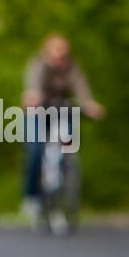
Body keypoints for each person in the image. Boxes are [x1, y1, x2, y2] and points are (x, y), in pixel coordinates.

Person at [19, 34, 104, 228]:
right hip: (38, 111)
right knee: (35, 150)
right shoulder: (38, 65)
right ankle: (31, 197)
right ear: (46, 52)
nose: (59, 57)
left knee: (67, 146)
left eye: (62, 53)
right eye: (55, 52)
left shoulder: (72, 68)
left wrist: (89, 104)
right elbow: (32, 83)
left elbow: (81, 89)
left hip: (61, 111)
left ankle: (66, 191)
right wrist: (32, 95)